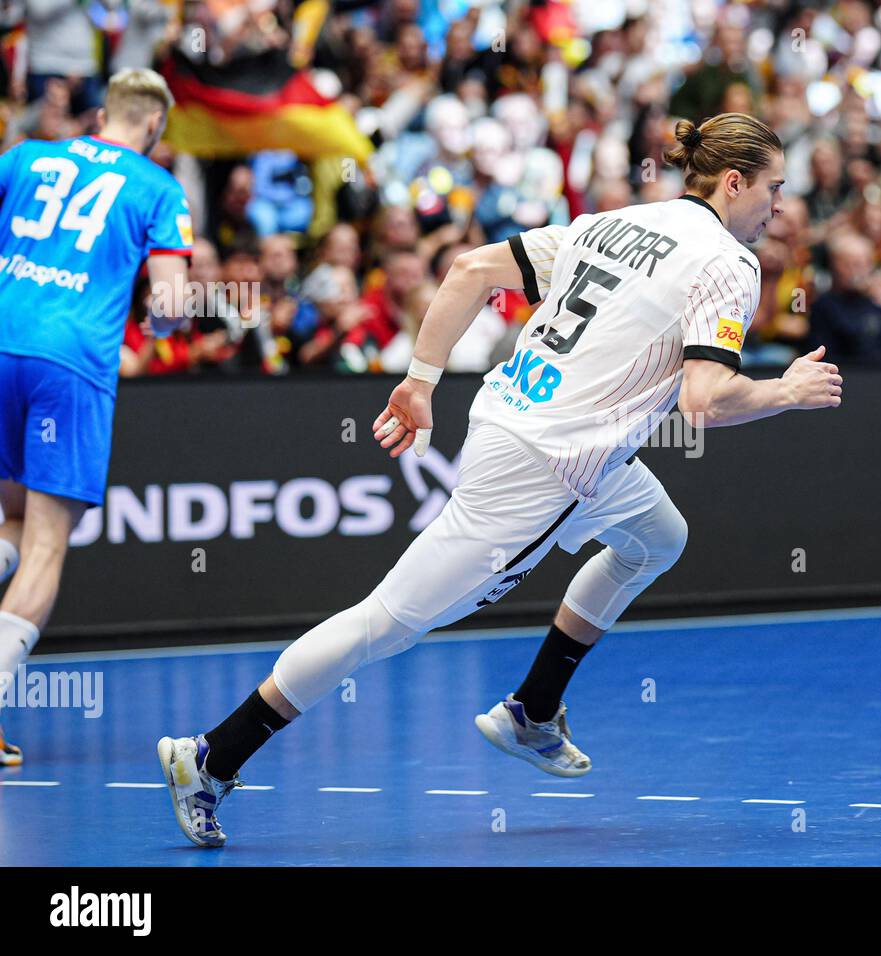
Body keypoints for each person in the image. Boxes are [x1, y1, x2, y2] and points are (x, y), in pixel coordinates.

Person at [157, 112, 843, 847]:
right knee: (384, 624)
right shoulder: (728, 264)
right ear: (734, 183)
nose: (780, 206)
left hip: (527, 427)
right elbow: (704, 400)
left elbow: (470, 271)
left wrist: (421, 382)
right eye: (773, 188)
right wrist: (786, 393)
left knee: (658, 536)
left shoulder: (613, 222)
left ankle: (534, 708)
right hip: (546, 470)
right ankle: (211, 756)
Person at [0, 68, 192, 765]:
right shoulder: (158, 188)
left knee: (15, 522)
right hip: (70, 361)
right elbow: (170, 306)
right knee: (48, 542)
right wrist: (158, 321)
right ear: (154, 127)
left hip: (2, 339)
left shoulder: (25, 154)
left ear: (103, 113)